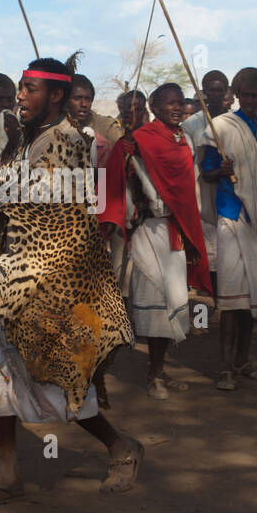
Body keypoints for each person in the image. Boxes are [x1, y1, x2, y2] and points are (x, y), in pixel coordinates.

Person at [0, 54, 141, 508]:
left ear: (56, 95)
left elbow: (4, 198)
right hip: (13, 277)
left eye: (30, 89)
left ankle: (120, 447)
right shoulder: (29, 138)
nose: (20, 95)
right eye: (20, 87)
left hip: (47, 285)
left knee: (56, 383)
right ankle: (7, 475)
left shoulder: (67, 142)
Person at [102, 83, 210, 398]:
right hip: (149, 229)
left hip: (176, 229)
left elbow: (190, 185)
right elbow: (117, 181)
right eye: (170, 103)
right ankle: (153, 375)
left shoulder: (185, 140)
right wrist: (126, 157)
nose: (176, 108)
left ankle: (159, 370)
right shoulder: (140, 139)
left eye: (180, 103)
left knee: (173, 300)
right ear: (156, 106)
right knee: (155, 300)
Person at [197, 67, 257, 389]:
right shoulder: (220, 128)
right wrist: (220, 170)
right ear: (235, 95)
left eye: (255, 95)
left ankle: (243, 361)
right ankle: (224, 368)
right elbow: (205, 174)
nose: (249, 100)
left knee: (251, 299)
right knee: (232, 301)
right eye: (244, 95)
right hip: (232, 217)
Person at [182, 70, 232, 288]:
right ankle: (213, 296)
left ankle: (232, 296)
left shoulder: (235, 120)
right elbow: (190, 158)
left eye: (221, 90)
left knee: (232, 247)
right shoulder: (192, 124)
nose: (216, 94)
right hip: (203, 190)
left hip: (232, 192)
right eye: (212, 90)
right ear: (204, 93)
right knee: (211, 249)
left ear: (227, 92)